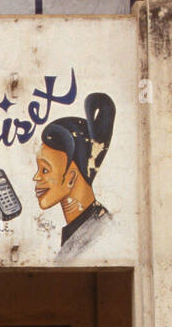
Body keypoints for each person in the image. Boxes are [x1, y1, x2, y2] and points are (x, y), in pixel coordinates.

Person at [34, 93, 116, 259]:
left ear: (71, 177)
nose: (36, 177)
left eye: (44, 170)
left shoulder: (101, 237)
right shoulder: (86, 229)